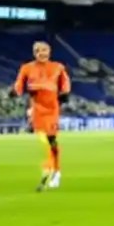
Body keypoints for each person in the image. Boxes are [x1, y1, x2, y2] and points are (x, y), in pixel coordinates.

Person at [13, 41, 70, 191]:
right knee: (47, 143)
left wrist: (65, 93)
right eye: (38, 51)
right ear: (34, 53)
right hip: (37, 110)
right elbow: (19, 83)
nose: (42, 53)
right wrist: (16, 92)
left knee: (51, 142)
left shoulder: (58, 67)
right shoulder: (26, 68)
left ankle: (53, 172)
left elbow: (65, 82)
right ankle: (52, 170)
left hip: (52, 110)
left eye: (44, 50)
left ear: (49, 52)